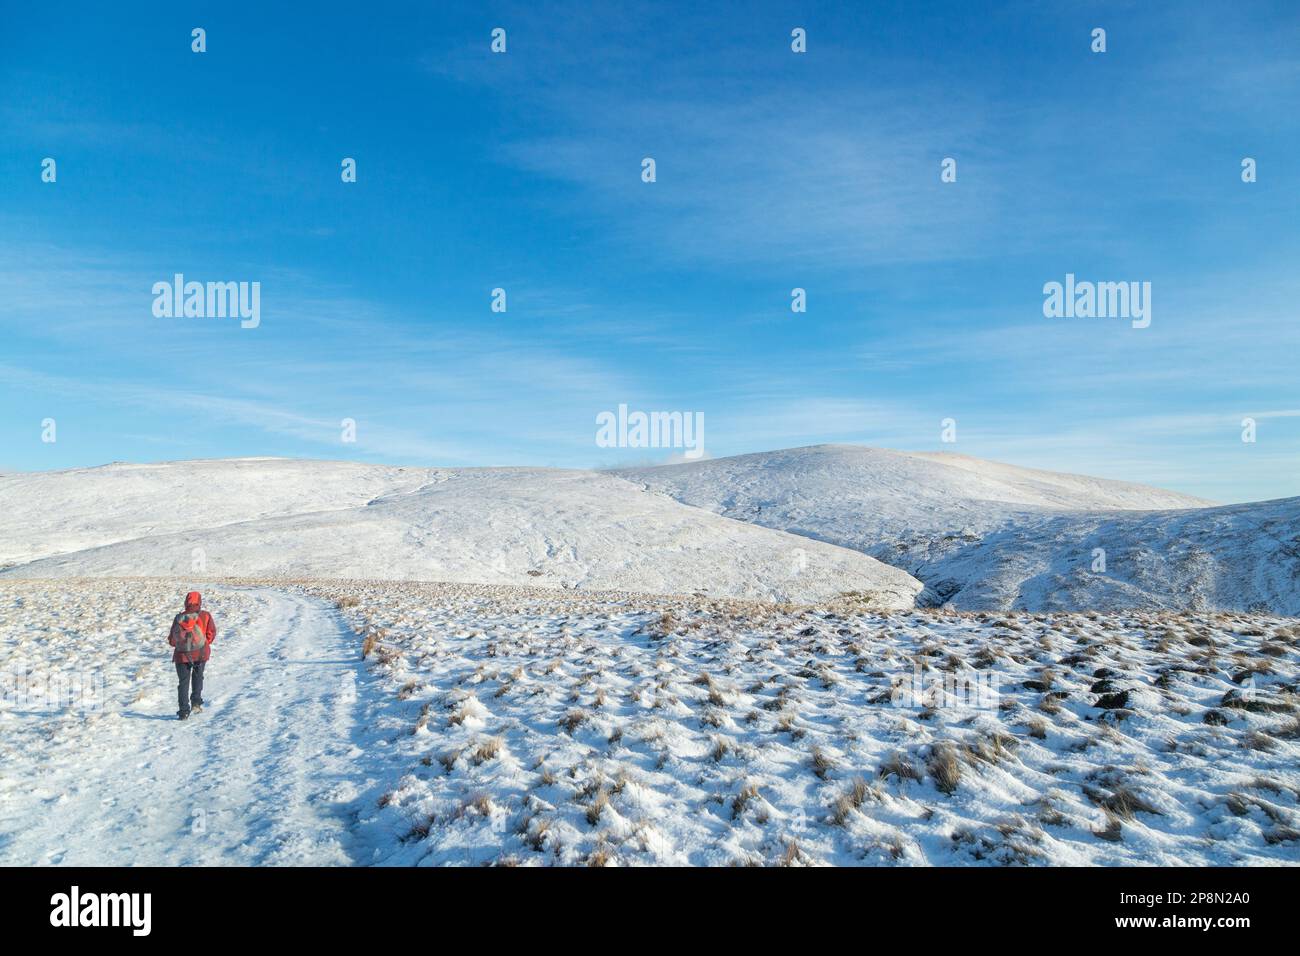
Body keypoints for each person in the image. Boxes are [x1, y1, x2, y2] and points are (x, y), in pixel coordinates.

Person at [168, 590, 216, 720]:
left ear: (186, 602)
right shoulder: (205, 616)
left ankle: (183, 712)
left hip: (181, 655)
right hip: (200, 653)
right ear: (199, 602)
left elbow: (172, 640)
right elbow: (211, 633)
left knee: (183, 682)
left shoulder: (179, 618)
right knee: (198, 677)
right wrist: (204, 643)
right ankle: (196, 703)